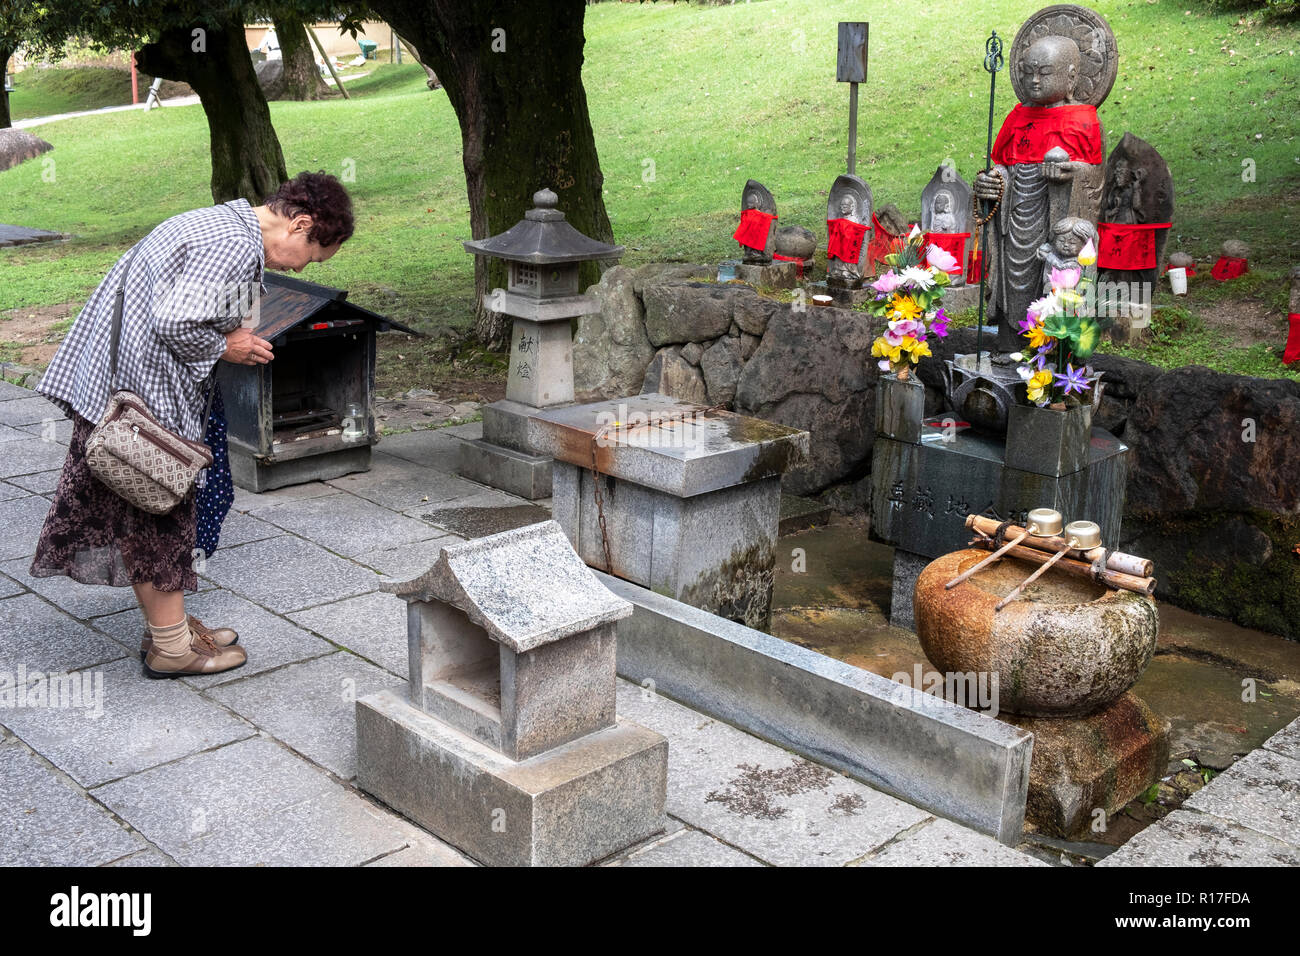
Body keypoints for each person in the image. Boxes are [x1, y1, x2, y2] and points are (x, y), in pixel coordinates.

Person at [31, 171, 354, 677]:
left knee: (144, 508)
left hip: (116, 384)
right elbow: (175, 321)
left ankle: (169, 627)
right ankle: (170, 649)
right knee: (158, 506)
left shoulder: (225, 225)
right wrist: (228, 346)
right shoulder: (231, 245)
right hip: (138, 394)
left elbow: (194, 305)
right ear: (301, 224)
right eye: (313, 255)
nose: (305, 266)